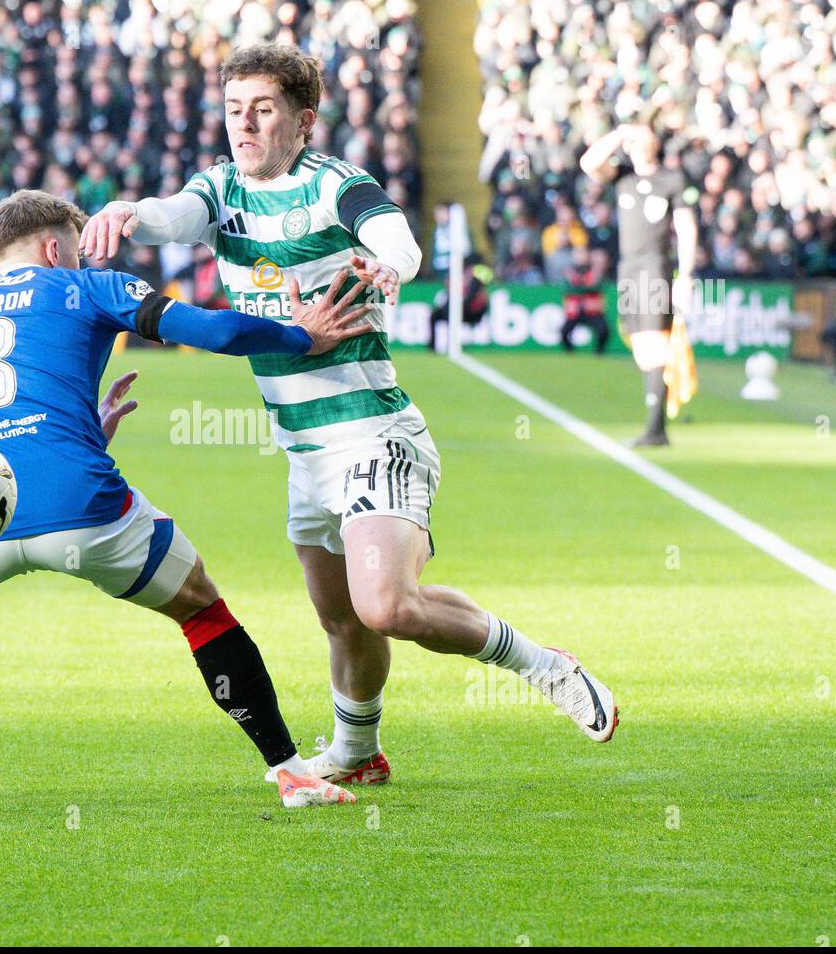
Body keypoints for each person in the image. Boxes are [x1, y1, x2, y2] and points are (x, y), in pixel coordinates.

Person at [81, 43, 618, 789]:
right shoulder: (221, 190)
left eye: (263, 110)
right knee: (342, 618)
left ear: (302, 122)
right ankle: (358, 750)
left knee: (387, 604)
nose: (245, 125)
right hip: (304, 451)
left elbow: (394, 234)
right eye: (235, 111)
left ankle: (544, 666)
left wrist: (388, 265)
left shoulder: (334, 185)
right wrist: (124, 212)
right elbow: (170, 216)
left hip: (372, 431)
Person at [0, 190, 376, 810]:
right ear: (55, 249)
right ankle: (290, 770)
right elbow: (213, 330)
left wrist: (81, 425)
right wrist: (301, 336)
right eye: (78, 251)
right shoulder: (86, 287)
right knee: (200, 608)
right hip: (83, 508)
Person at [581, 123, 698, 446]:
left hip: (653, 266)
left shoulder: (672, 180)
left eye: (635, 141)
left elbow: (686, 228)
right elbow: (588, 163)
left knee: (654, 344)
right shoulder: (623, 176)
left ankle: (656, 429)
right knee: (642, 348)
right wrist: (619, 133)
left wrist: (686, 274)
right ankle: (655, 425)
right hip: (628, 267)